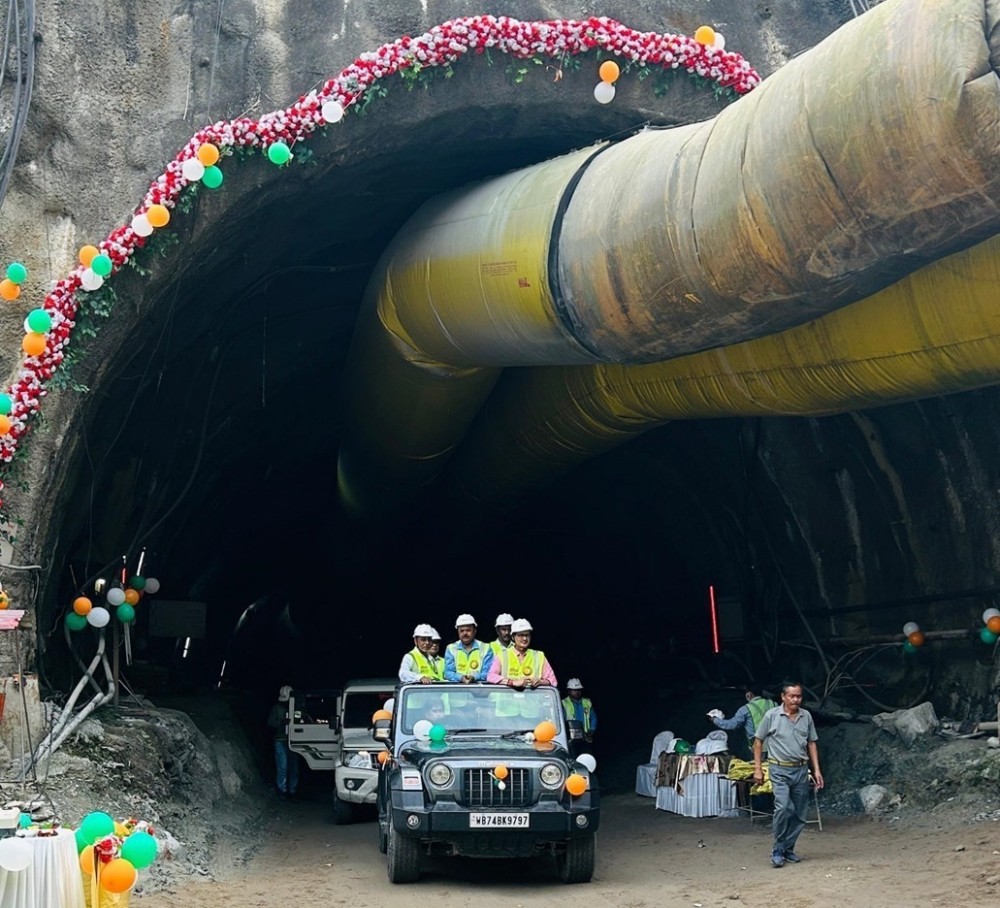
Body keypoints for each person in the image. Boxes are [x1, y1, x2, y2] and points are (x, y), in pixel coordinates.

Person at [753, 681, 824, 868]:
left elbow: (812, 743)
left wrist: (816, 770)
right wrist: (758, 768)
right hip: (779, 769)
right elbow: (758, 741)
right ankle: (778, 849)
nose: (795, 699)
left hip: (801, 769)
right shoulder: (771, 716)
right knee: (783, 808)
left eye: (798, 696)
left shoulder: (806, 716)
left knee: (800, 814)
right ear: (783, 697)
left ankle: (788, 848)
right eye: (791, 696)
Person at [708, 683, 777, 758]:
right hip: (776, 745)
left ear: (749, 694)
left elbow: (731, 725)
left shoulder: (745, 709)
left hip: (760, 747)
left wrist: (714, 719)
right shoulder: (774, 704)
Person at [487, 618, 557, 688]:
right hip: (507, 695)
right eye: (521, 635)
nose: (524, 638)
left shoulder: (539, 656)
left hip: (532, 695)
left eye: (527, 635)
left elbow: (553, 680)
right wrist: (511, 682)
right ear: (513, 637)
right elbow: (491, 676)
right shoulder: (502, 655)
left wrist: (541, 682)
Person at [266, 685, 300, 801]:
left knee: (294, 768)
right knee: (282, 767)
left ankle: (292, 791)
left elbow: (303, 719)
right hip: (280, 740)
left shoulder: (297, 708)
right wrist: (282, 722)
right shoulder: (276, 709)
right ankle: (282, 791)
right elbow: (270, 723)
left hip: (294, 741)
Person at [444, 613, 493, 683]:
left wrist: (474, 677)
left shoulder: (486, 648)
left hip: (479, 689)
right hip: (457, 689)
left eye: (468, 630)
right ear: (458, 632)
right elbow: (448, 672)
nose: (465, 633)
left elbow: (488, 673)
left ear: (475, 631)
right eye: (461, 631)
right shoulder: (451, 648)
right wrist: (461, 678)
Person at [562, 678, 597, 743]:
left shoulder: (587, 702)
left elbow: (593, 717)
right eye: (574, 690)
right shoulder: (564, 703)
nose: (577, 692)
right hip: (570, 738)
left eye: (578, 690)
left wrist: (592, 729)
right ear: (569, 691)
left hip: (586, 737)